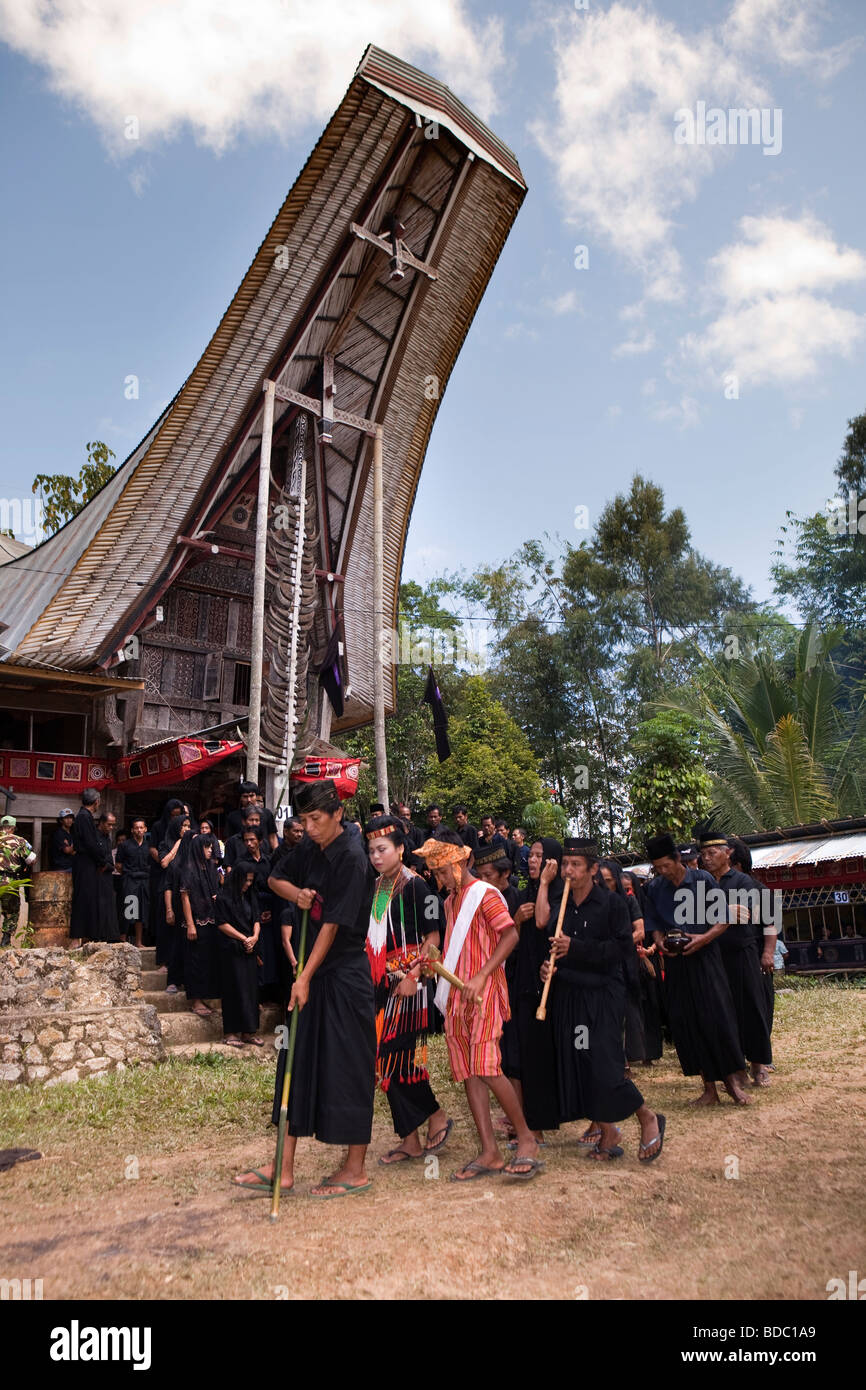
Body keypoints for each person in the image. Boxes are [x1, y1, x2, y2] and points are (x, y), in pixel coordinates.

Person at [233, 779, 377, 1199]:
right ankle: (284, 1166)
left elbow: (331, 926)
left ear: (338, 814)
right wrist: (298, 894)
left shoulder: (352, 857)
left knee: (349, 1066)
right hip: (310, 973)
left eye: (316, 820)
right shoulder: (311, 848)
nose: (309, 828)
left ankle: (355, 1167)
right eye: (304, 821)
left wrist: (302, 978)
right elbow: (276, 878)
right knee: (293, 1061)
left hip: (343, 976)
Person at [415, 830, 542, 1182]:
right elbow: (459, 948)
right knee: (469, 1071)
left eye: (442, 871)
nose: (438, 879)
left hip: (484, 995)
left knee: (487, 1068)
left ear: (459, 861)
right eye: (435, 873)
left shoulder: (486, 894)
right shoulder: (449, 901)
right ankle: (490, 1151)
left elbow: (511, 935)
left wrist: (483, 976)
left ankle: (527, 1139)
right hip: (457, 997)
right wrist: (433, 961)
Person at [542, 839, 665, 1162]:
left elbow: (621, 952)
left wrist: (576, 948)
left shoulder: (611, 904)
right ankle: (609, 1131)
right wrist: (549, 967)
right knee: (582, 1065)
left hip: (604, 995)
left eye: (575, 865)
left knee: (605, 1064)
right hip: (570, 994)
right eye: (565, 864)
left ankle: (647, 1117)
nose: (567, 870)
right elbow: (556, 949)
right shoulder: (561, 905)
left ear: (593, 869)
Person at [363, 815, 452, 1163]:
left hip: (411, 985)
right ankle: (412, 1139)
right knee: (390, 1064)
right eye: (371, 850)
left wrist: (414, 975)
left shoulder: (416, 885)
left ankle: (436, 1117)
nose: (376, 856)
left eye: (382, 849)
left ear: (400, 849)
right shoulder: (377, 887)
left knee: (392, 1057)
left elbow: (433, 939)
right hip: (384, 985)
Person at [642, 833, 749, 1106]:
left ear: (678, 859)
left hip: (706, 959)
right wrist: (659, 944)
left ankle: (732, 1084)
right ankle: (708, 1089)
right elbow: (653, 926)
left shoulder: (701, 880)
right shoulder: (655, 889)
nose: (663, 872)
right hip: (677, 964)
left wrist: (702, 939)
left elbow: (724, 919)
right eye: (658, 868)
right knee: (687, 1021)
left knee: (717, 1017)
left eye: (667, 865)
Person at [497, 837, 562, 1146]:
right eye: (532, 856)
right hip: (524, 983)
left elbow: (543, 921)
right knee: (522, 1056)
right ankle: (526, 1123)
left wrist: (546, 886)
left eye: (540, 856)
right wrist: (517, 921)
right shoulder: (523, 895)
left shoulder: (559, 893)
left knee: (541, 1059)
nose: (533, 861)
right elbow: (515, 939)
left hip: (551, 985)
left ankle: (538, 1126)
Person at [699, 830, 774, 1088]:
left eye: (712, 853)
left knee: (751, 1009)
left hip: (742, 953)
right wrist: (723, 912)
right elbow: (697, 917)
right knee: (723, 1012)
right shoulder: (703, 883)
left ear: (727, 853)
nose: (706, 858)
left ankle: (759, 1065)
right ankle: (735, 1067)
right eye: (703, 854)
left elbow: (749, 916)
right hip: (713, 955)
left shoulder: (743, 881)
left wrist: (767, 952)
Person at [597, 857, 662, 1069]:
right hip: (598, 961)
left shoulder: (628, 901)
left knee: (626, 1009)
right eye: (601, 880)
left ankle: (625, 1058)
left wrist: (614, 945)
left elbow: (640, 931)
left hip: (623, 962)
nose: (604, 885)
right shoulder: (591, 902)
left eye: (608, 880)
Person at [216, 859, 262, 1045]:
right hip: (232, 949)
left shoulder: (250, 896)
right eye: (245, 880)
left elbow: (256, 919)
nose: (248, 884)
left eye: (250, 881)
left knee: (250, 990)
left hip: (249, 949)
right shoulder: (223, 897)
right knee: (234, 990)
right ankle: (231, 1033)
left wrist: (254, 937)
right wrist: (243, 938)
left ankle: (248, 1031)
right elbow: (221, 923)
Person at [179, 833, 220, 1017]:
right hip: (195, 921)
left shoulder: (208, 867)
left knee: (206, 961)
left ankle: (203, 997)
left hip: (210, 919)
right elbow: (185, 896)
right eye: (207, 847)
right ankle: (195, 1001)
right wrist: (190, 924)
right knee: (194, 961)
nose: (210, 850)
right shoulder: (188, 868)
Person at [70, 789, 109, 946]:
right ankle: (76, 939)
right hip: (85, 862)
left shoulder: (84, 817)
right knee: (82, 899)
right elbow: (91, 844)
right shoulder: (84, 817)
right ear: (96, 802)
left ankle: (87, 937)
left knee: (89, 899)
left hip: (86, 862)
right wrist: (102, 861)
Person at [159, 816, 192, 993]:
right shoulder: (174, 858)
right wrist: (169, 909)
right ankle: (173, 981)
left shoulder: (195, 857)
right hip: (178, 908)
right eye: (183, 826)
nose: (186, 829)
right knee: (177, 944)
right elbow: (168, 886)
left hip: (195, 910)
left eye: (189, 826)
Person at [0, 816, 37, 947]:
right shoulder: (19, 840)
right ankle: (5, 942)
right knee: (12, 911)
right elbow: (31, 859)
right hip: (9, 880)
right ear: (13, 828)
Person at [116, 817, 151, 948]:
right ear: (132, 830)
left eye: (141, 827)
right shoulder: (125, 845)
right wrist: (128, 875)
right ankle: (123, 941)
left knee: (141, 912)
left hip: (144, 882)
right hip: (130, 881)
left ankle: (138, 941)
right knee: (129, 910)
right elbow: (118, 865)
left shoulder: (149, 846)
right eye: (136, 828)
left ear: (145, 829)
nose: (139, 830)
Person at [226, 781, 278, 852]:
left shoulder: (267, 813)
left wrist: (277, 855)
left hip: (265, 857)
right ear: (240, 798)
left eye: (251, 796)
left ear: (256, 796)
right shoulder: (233, 816)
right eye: (245, 796)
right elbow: (229, 840)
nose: (249, 800)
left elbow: (272, 837)